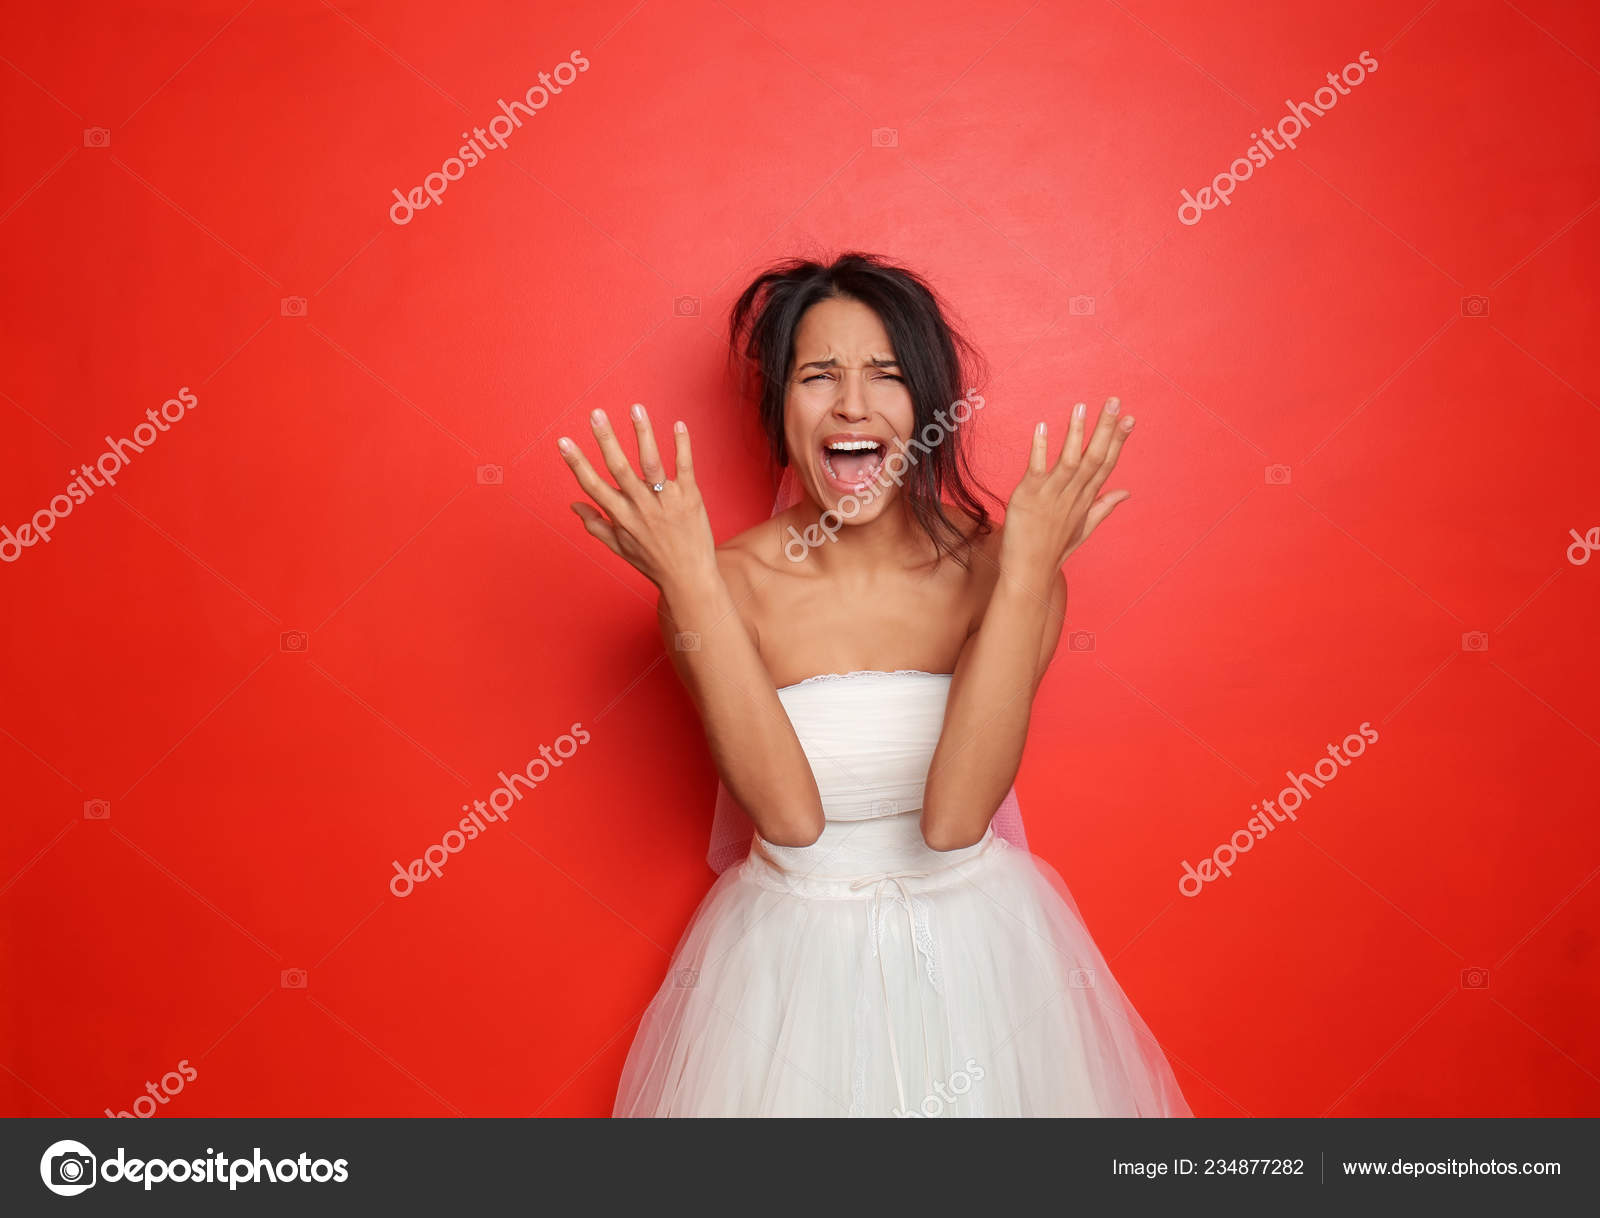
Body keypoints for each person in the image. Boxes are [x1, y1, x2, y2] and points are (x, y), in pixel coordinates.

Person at [558, 252, 1191, 1117]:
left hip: (982, 963)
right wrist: (691, 582)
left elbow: (955, 822)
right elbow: (788, 821)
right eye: (818, 375)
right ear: (780, 409)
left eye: (886, 375)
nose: (852, 404)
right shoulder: (717, 586)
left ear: (928, 406)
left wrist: (1025, 574)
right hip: (790, 978)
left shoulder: (1008, 569)